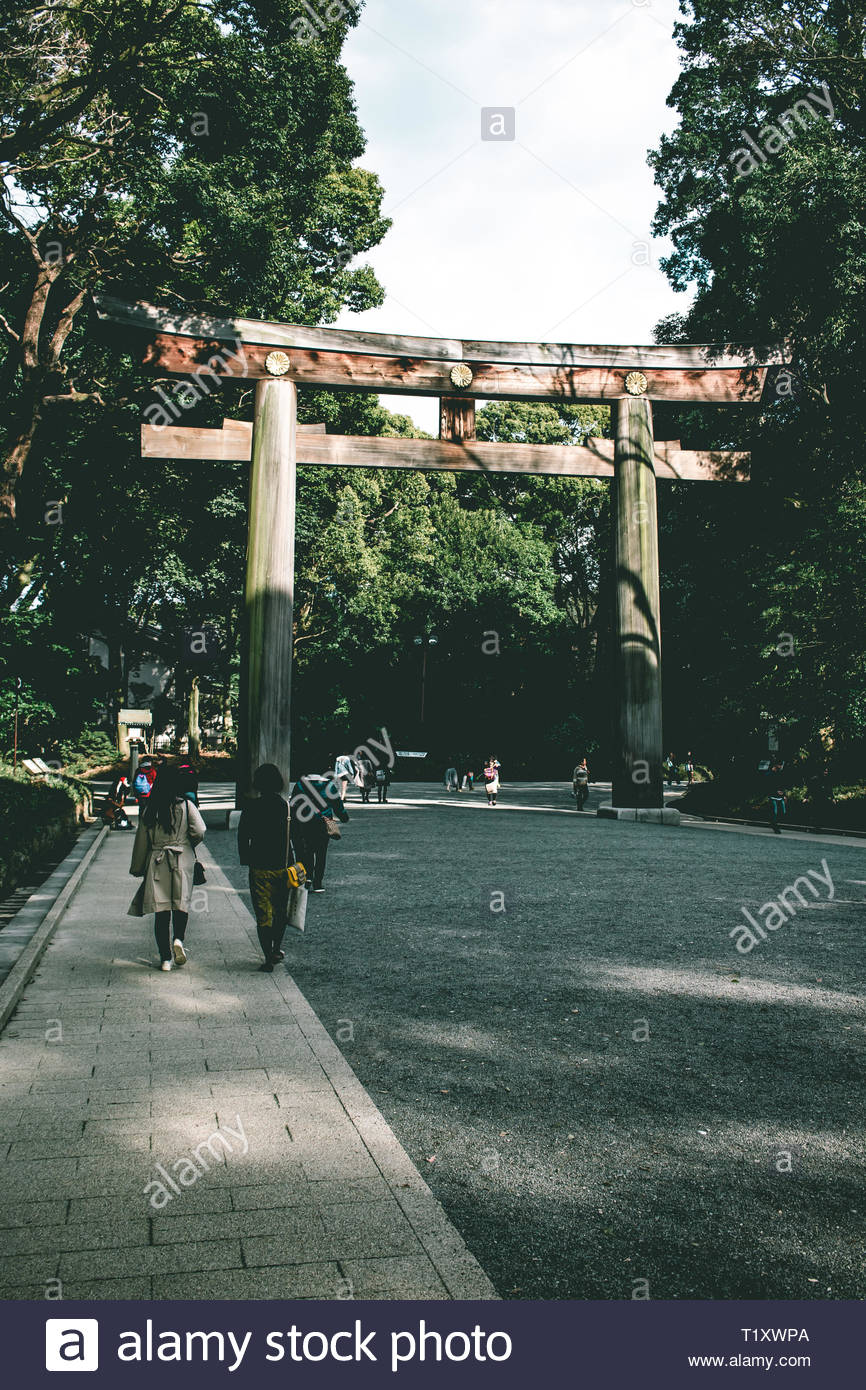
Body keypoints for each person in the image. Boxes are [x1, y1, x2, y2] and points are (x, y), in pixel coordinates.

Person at [129, 763, 206, 971]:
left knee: (161, 911)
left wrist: (138, 867)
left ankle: (165, 959)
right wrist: (187, 844)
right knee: (181, 904)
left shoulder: (150, 809)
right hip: (182, 860)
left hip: (157, 861)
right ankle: (179, 940)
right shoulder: (187, 805)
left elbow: (142, 842)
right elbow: (200, 830)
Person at [238, 764, 294, 972]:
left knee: (263, 913)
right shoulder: (286, 807)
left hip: (259, 865)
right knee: (280, 911)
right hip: (283, 864)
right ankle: (277, 947)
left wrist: (246, 858)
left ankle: (267, 955)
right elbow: (294, 837)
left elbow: (243, 837)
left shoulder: (251, 807)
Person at [290, 772, 349, 892]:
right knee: (321, 852)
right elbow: (337, 803)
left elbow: (294, 804)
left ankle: (307, 878)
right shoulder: (329, 785)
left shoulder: (300, 784)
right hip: (323, 822)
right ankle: (318, 882)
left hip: (304, 821)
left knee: (307, 850)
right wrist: (344, 817)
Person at [767, 762, 787, 834]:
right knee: (774, 812)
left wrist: (784, 794)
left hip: (780, 797)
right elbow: (768, 785)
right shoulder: (770, 774)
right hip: (773, 796)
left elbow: (783, 784)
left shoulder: (780, 774)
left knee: (783, 812)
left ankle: (773, 822)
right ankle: (775, 826)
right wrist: (776, 791)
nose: (781, 766)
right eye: (779, 765)